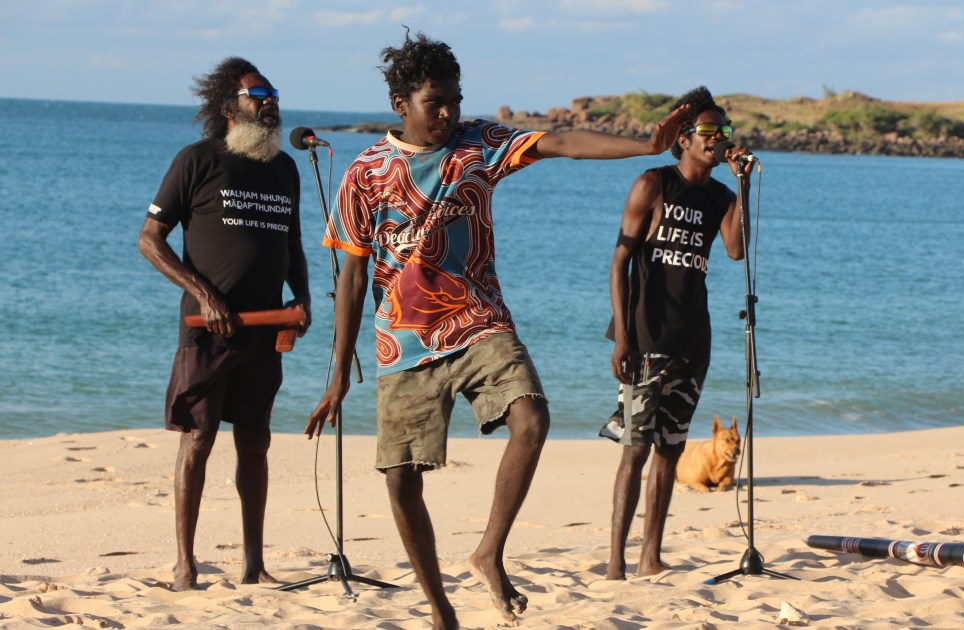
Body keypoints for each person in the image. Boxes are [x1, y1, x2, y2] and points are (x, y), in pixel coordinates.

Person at [305, 30, 690, 628]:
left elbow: (561, 143)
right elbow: (352, 277)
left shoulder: (477, 144)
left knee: (532, 417)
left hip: (480, 319)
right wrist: (337, 374)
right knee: (402, 480)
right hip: (403, 341)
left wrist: (644, 145)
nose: (449, 112)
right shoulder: (366, 174)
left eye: (455, 99)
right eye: (436, 102)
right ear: (401, 105)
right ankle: (440, 609)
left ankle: (489, 551)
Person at [138, 57, 311, 591]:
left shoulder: (285, 168)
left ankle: (254, 564)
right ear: (227, 106)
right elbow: (149, 238)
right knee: (198, 440)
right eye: (258, 92)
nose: (270, 100)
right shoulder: (197, 160)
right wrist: (202, 293)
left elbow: (293, 244)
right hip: (205, 331)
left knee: (255, 444)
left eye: (273, 92)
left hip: (265, 330)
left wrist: (303, 298)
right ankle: (185, 566)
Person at [598, 86, 750, 579]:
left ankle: (650, 557)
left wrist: (743, 185)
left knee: (670, 450)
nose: (718, 139)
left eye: (723, 132)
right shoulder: (653, 183)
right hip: (645, 338)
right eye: (707, 132)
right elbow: (620, 261)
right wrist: (622, 337)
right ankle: (616, 562)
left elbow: (735, 250)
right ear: (683, 139)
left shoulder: (722, 197)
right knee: (635, 450)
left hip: (693, 342)